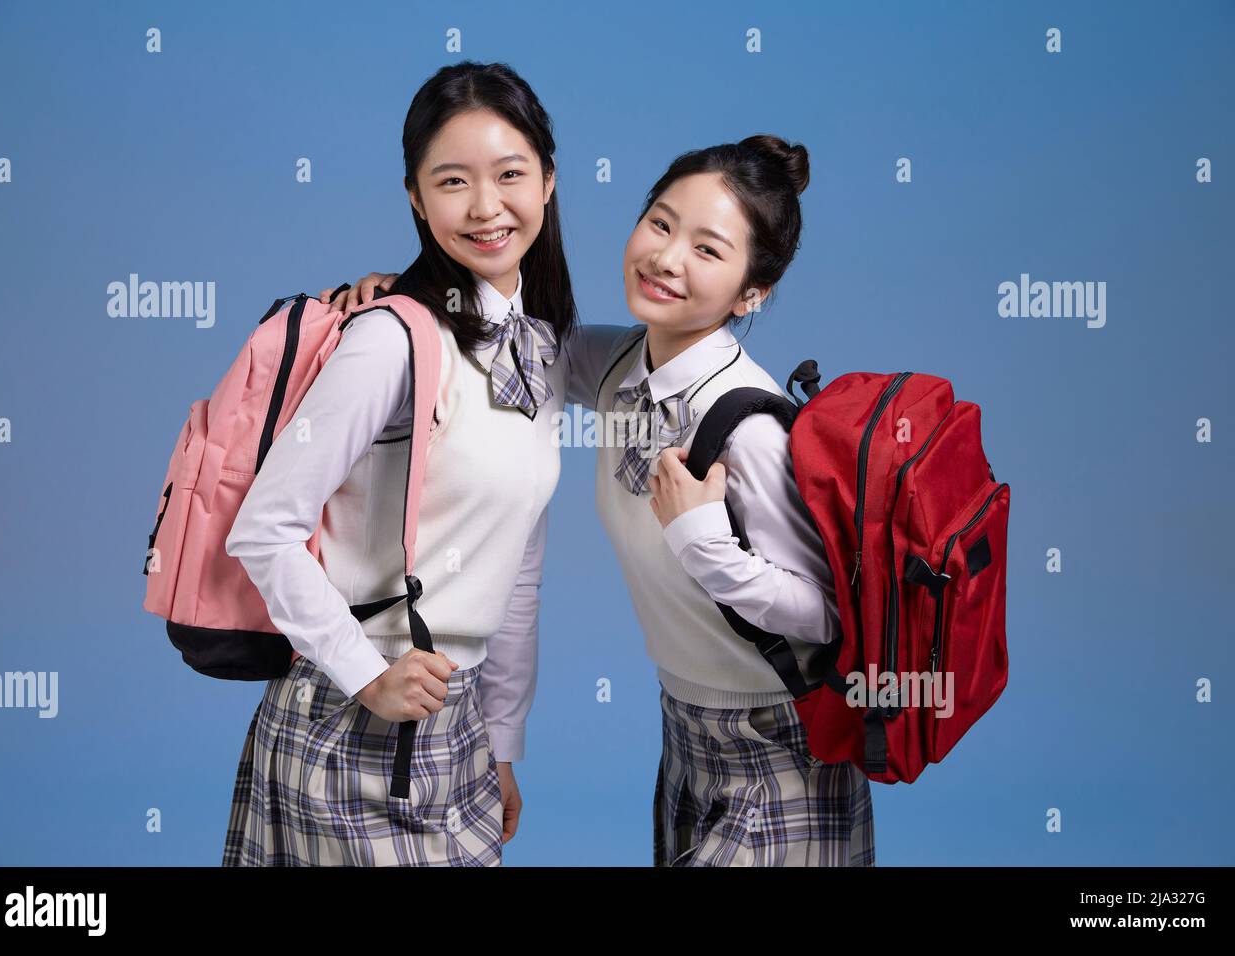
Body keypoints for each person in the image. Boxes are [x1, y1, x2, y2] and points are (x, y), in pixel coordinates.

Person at [327, 135, 875, 866]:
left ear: (752, 292)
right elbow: (503, 338)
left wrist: (706, 543)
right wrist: (404, 298)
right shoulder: (619, 365)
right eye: (660, 222)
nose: (667, 257)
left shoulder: (751, 428)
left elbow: (829, 619)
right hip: (686, 735)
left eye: (708, 251)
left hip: (782, 752)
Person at [221, 61, 586, 866]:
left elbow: (517, 569)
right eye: (452, 181)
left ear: (550, 182)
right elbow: (264, 531)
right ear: (416, 199)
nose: (487, 207)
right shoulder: (389, 339)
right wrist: (366, 677)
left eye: (511, 175)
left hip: (452, 730)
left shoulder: (539, 350)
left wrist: (499, 740)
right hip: (349, 719)